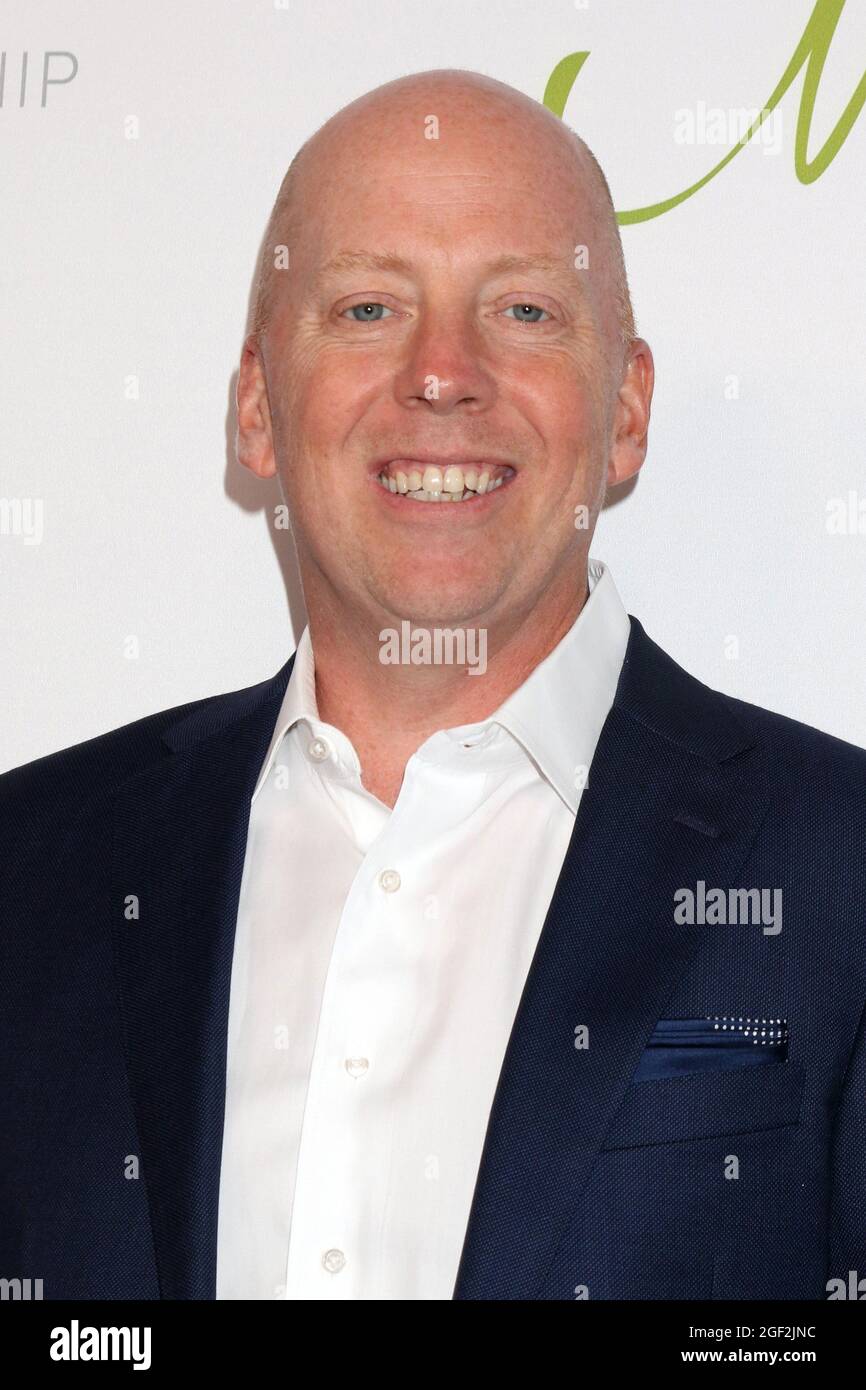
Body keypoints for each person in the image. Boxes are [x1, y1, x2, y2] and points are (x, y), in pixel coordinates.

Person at [2, 69, 864, 1302]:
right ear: (256, 409)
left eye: (520, 309)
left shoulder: (841, 873)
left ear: (624, 411)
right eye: (364, 309)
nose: (442, 373)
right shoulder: (32, 872)